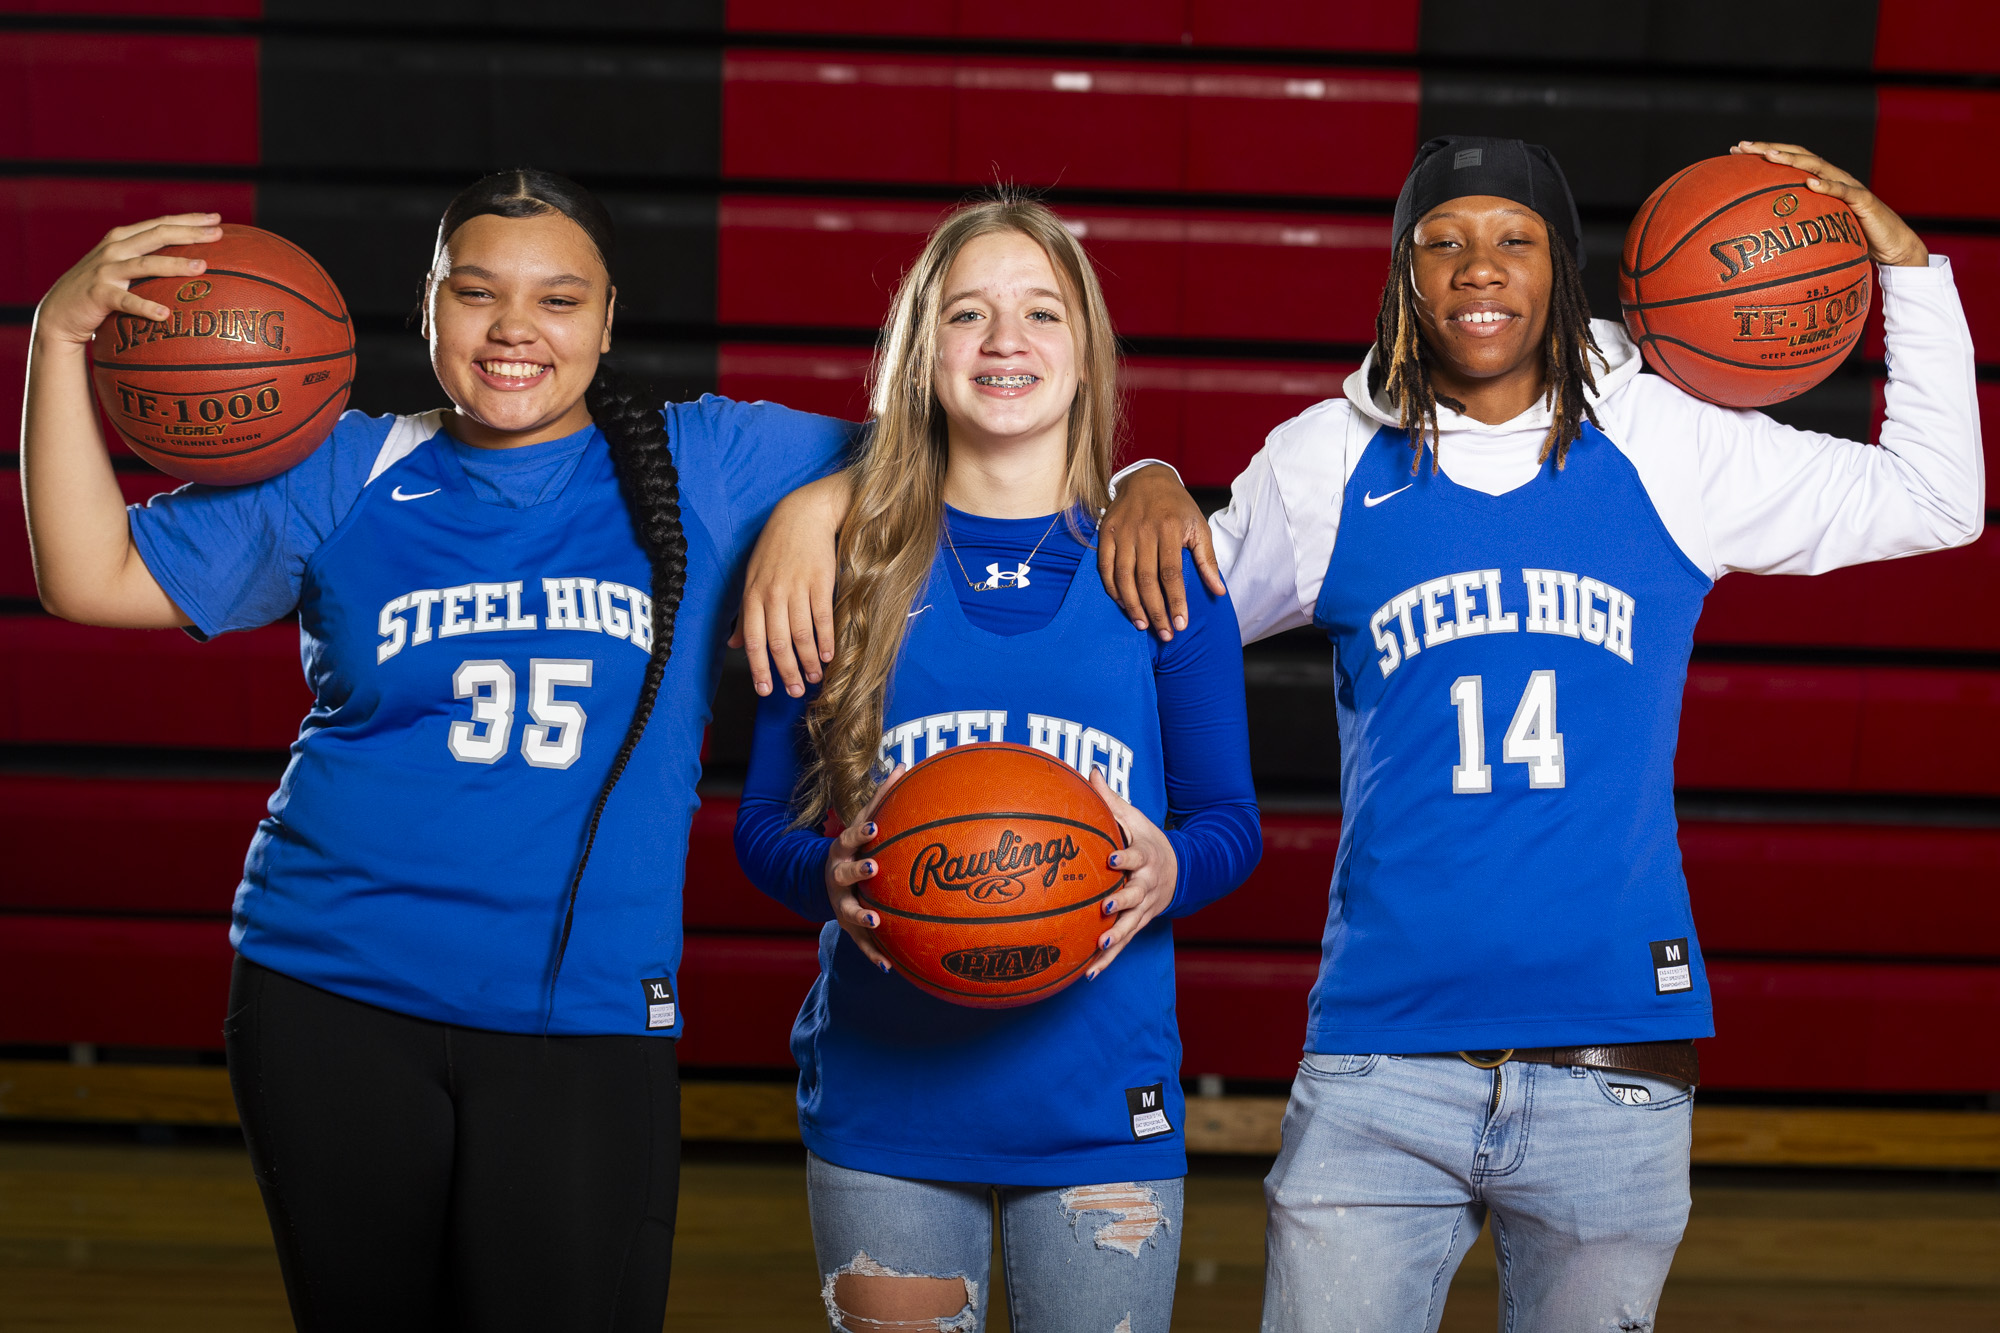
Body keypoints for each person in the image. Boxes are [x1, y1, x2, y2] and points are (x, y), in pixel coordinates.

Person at [731, 139, 1982, 1332]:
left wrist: (1905, 271)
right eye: (1439, 240)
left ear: (1567, 275)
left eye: (1514, 239)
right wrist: (1116, 476)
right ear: (1400, 277)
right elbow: (1145, 588)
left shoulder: (1673, 446)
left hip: (1613, 1056)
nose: (1478, 266)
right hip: (1380, 1062)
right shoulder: (1328, 463)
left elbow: (1938, 496)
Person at [22, 170, 853, 1331]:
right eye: (476, 293)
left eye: (558, 300)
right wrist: (57, 338)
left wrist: (820, 509)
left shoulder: (707, 462)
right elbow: (87, 573)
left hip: (584, 1012)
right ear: (427, 309)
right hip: (330, 986)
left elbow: (959, 443)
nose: (515, 329)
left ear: (607, 321)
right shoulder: (342, 468)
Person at [730, 196, 1261, 1333]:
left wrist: (1171, 867)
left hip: (1097, 1108)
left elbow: (1229, 821)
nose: (1003, 340)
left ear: (1086, 352)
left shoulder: (1160, 568)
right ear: (922, 354)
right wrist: (820, 875)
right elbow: (760, 823)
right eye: (966, 314)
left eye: (1039, 313)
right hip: (885, 1107)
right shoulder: (837, 562)